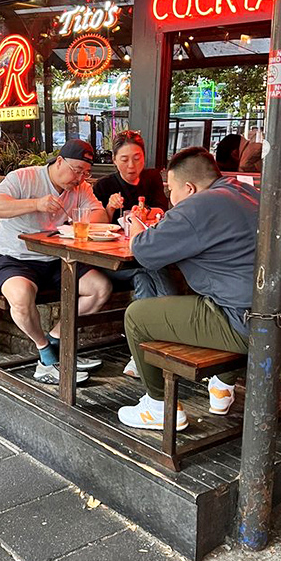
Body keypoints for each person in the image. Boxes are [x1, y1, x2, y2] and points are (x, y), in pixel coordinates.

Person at [119, 147, 281, 431]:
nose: (170, 199)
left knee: (137, 316)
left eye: (172, 191)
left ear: (189, 188)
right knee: (213, 296)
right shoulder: (246, 192)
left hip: (262, 326)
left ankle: (158, 407)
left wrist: (136, 229)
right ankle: (222, 387)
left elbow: (144, 251)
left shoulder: (198, 206)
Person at [0, 138, 112, 385]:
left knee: (100, 289)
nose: (80, 178)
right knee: (21, 298)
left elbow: (100, 215)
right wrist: (36, 204)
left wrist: (84, 219)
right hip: (13, 257)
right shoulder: (24, 177)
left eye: (86, 173)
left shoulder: (80, 188)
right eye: (77, 171)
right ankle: (45, 352)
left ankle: (55, 343)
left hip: (56, 257)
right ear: (60, 161)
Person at [93, 129, 173, 376]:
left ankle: (139, 355)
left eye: (137, 158)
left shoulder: (151, 179)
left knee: (144, 277)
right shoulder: (104, 185)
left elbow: (163, 210)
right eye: (125, 159)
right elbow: (97, 227)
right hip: (113, 262)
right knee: (152, 267)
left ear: (144, 157)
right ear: (115, 160)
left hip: (141, 258)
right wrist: (109, 207)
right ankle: (170, 336)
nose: (131, 165)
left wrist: (146, 213)